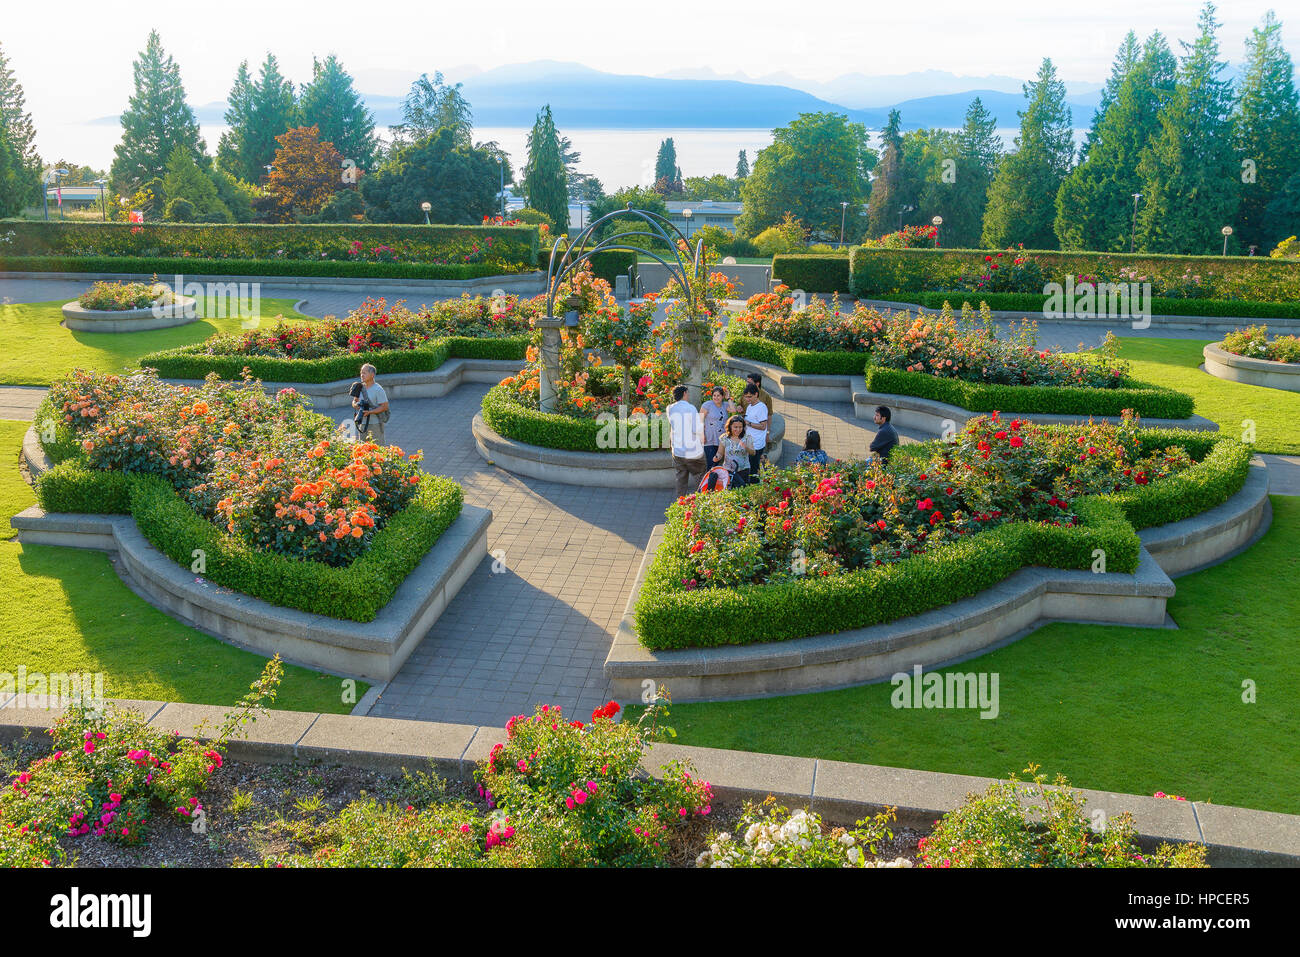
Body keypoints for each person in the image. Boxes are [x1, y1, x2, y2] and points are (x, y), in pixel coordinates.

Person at [667, 384, 707, 498]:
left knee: (681, 478)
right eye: (688, 393)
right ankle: (701, 500)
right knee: (700, 475)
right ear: (684, 393)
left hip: (677, 450)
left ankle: (681, 502)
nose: (688, 395)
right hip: (692, 450)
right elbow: (696, 429)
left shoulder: (670, 408)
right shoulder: (691, 408)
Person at [351, 363, 390, 445]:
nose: (362, 375)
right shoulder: (359, 387)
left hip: (375, 424)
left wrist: (370, 412)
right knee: (363, 449)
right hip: (362, 424)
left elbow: (385, 406)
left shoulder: (378, 389)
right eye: (361, 372)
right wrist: (356, 405)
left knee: (377, 449)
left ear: (372, 375)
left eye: (364, 373)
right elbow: (354, 401)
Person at [700, 385, 734, 473]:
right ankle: (708, 484)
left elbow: (733, 410)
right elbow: (699, 420)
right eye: (714, 395)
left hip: (722, 440)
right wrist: (702, 435)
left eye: (718, 395)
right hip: (709, 439)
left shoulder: (725, 405)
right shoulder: (707, 405)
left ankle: (715, 484)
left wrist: (729, 398)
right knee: (711, 464)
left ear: (722, 396)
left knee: (718, 463)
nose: (716, 397)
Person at [714, 414, 755, 486]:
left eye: (740, 427)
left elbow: (753, 453)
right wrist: (717, 457)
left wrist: (746, 447)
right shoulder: (724, 438)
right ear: (730, 427)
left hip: (743, 470)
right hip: (728, 470)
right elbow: (720, 453)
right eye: (735, 427)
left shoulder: (747, 437)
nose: (738, 429)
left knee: (742, 491)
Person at [741, 384, 769, 478]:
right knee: (750, 469)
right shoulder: (750, 406)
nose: (747, 399)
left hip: (756, 444)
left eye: (750, 396)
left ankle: (754, 487)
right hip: (750, 442)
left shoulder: (761, 407)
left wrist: (748, 423)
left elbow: (763, 426)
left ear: (756, 394)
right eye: (746, 397)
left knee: (753, 470)